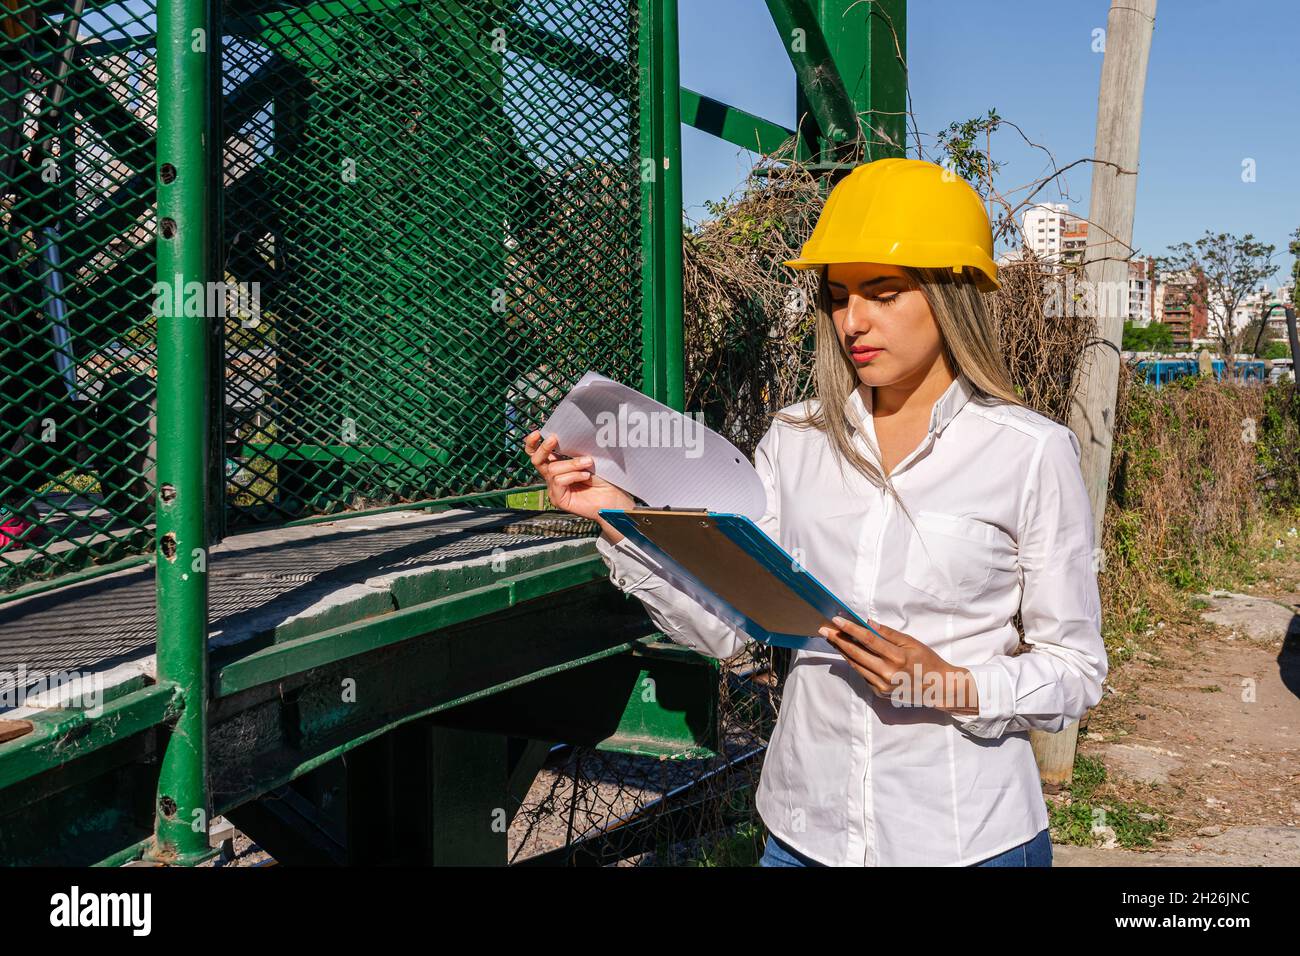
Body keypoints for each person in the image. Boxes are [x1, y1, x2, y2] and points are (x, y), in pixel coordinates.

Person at [523, 157, 1108, 867]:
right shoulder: (796, 440)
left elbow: (1074, 671)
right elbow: (728, 631)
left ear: (951, 294)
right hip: (804, 835)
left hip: (962, 838)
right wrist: (618, 516)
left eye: (884, 293)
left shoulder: (1030, 453)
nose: (852, 321)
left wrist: (952, 683)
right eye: (838, 296)